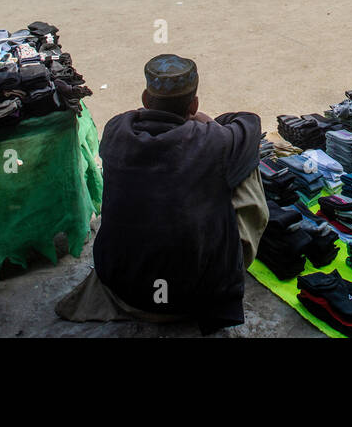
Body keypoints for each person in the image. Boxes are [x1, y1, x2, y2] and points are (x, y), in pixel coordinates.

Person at [59, 55, 266, 334]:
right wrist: (209, 122)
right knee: (244, 165)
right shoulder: (215, 142)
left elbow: (135, 118)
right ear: (193, 104)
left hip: (122, 286)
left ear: (146, 98)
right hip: (190, 299)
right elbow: (249, 123)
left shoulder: (116, 130)